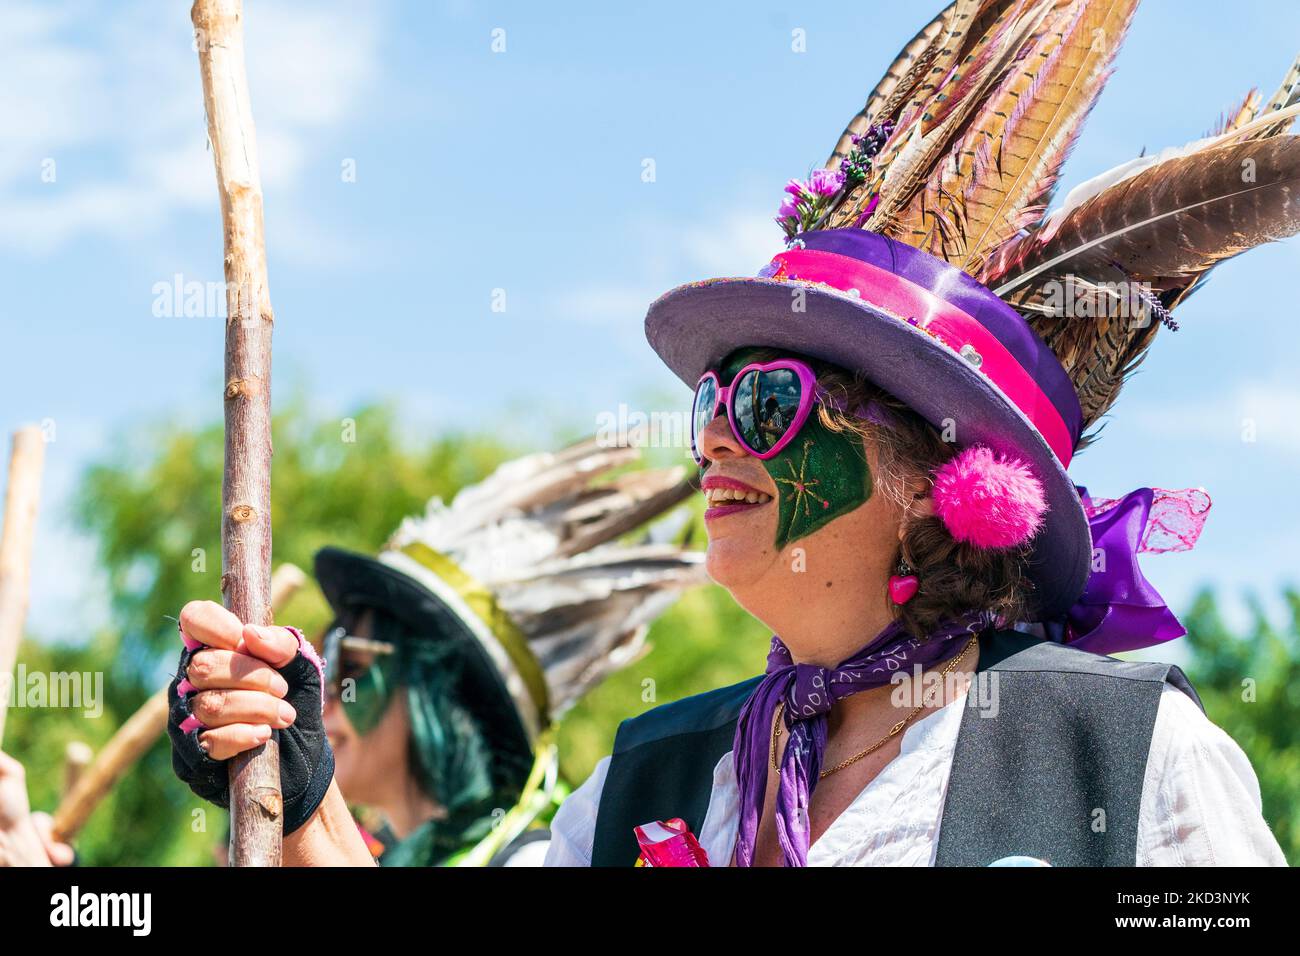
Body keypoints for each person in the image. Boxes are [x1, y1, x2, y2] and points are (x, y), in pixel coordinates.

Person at [166, 2, 1297, 866]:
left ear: (935, 480)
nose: (714, 442)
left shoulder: (1130, 754)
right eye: (715, 403)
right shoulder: (637, 783)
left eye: (769, 407)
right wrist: (296, 786)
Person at [166, 438, 703, 867]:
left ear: (441, 692)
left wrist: (303, 810)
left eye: (347, 660)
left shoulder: (543, 859)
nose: (323, 699)